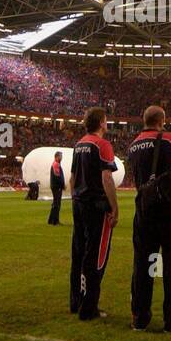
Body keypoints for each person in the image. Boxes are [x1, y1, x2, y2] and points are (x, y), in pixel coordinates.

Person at [127, 105, 171, 333]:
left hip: (145, 211)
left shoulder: (133, 144)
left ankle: (140, 318)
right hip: (170, 212)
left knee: (143, 265)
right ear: (162, 120)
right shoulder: (169, 140)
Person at [69, 107, 119, 321]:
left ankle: (76, 301)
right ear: (101, 123)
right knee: (96, 256)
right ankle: (89, 308)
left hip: (79, 203)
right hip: (96, 205)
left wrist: (75, 200)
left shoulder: (79, 145)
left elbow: (72, 179)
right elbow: (107, 178)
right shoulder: (102, 145)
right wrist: (114, 206)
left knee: (78, 253)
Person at [47, 150, 65, 226]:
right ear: (57, 157)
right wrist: (62, 185)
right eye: (60, 156)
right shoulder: (56, 164)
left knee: (55, 203)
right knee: (57, 204)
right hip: (57, 186)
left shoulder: (56, 164)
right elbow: (57, 176)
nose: (61, 158)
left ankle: (51, 220)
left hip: (55, 186)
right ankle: (55, 221)